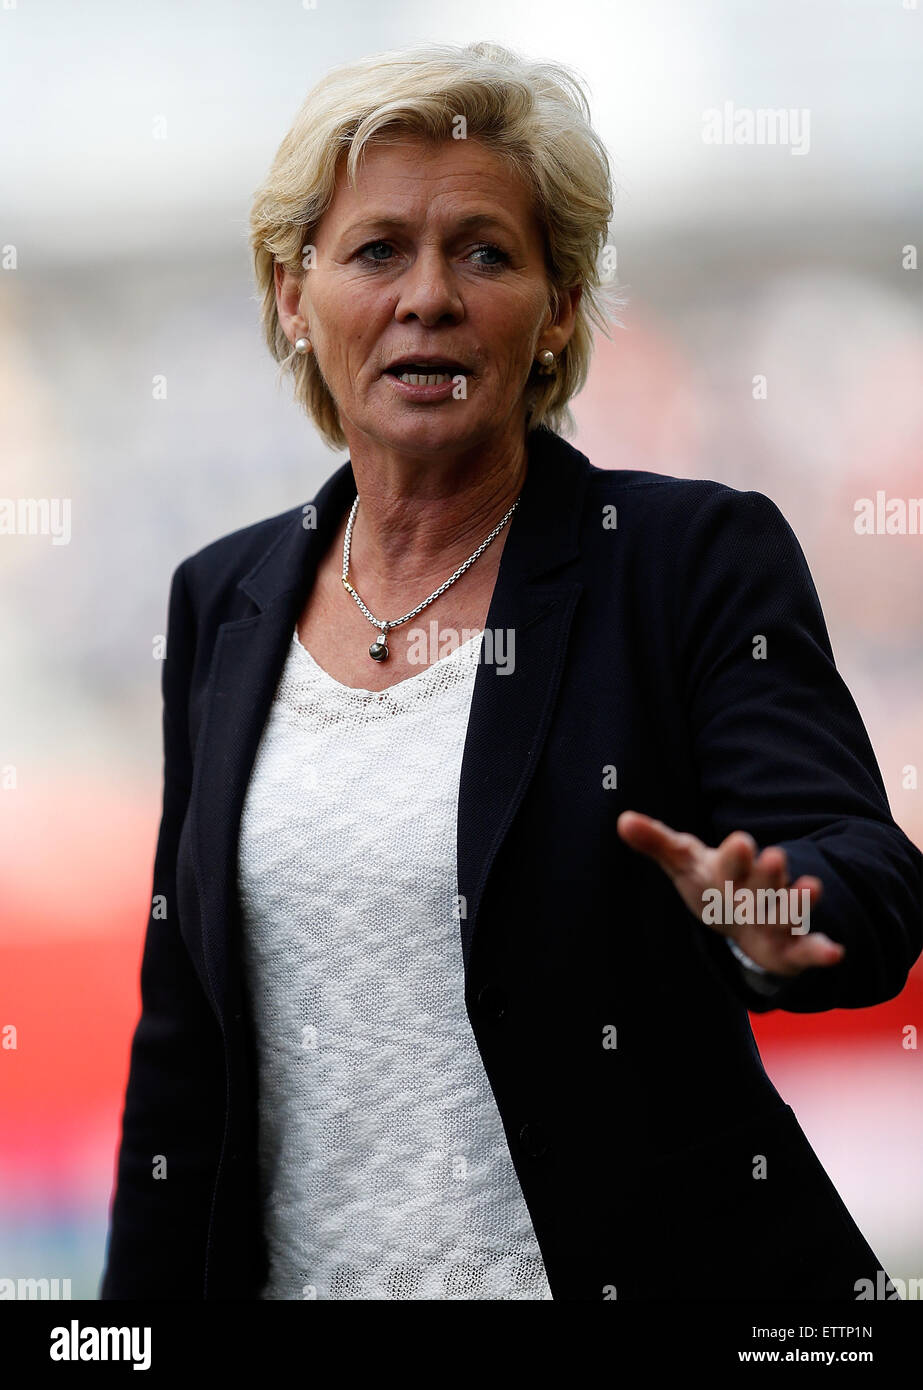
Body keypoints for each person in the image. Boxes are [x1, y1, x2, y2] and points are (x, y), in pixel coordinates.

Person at [99, 41, 921, 1301]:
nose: (427, 295)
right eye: (377, 250)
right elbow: (183, 1046)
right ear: (290, 292)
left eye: (483, 251)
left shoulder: (685, 557)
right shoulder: (222, 599)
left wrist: (764, 911)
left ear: (557, 309)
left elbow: (857, 874)